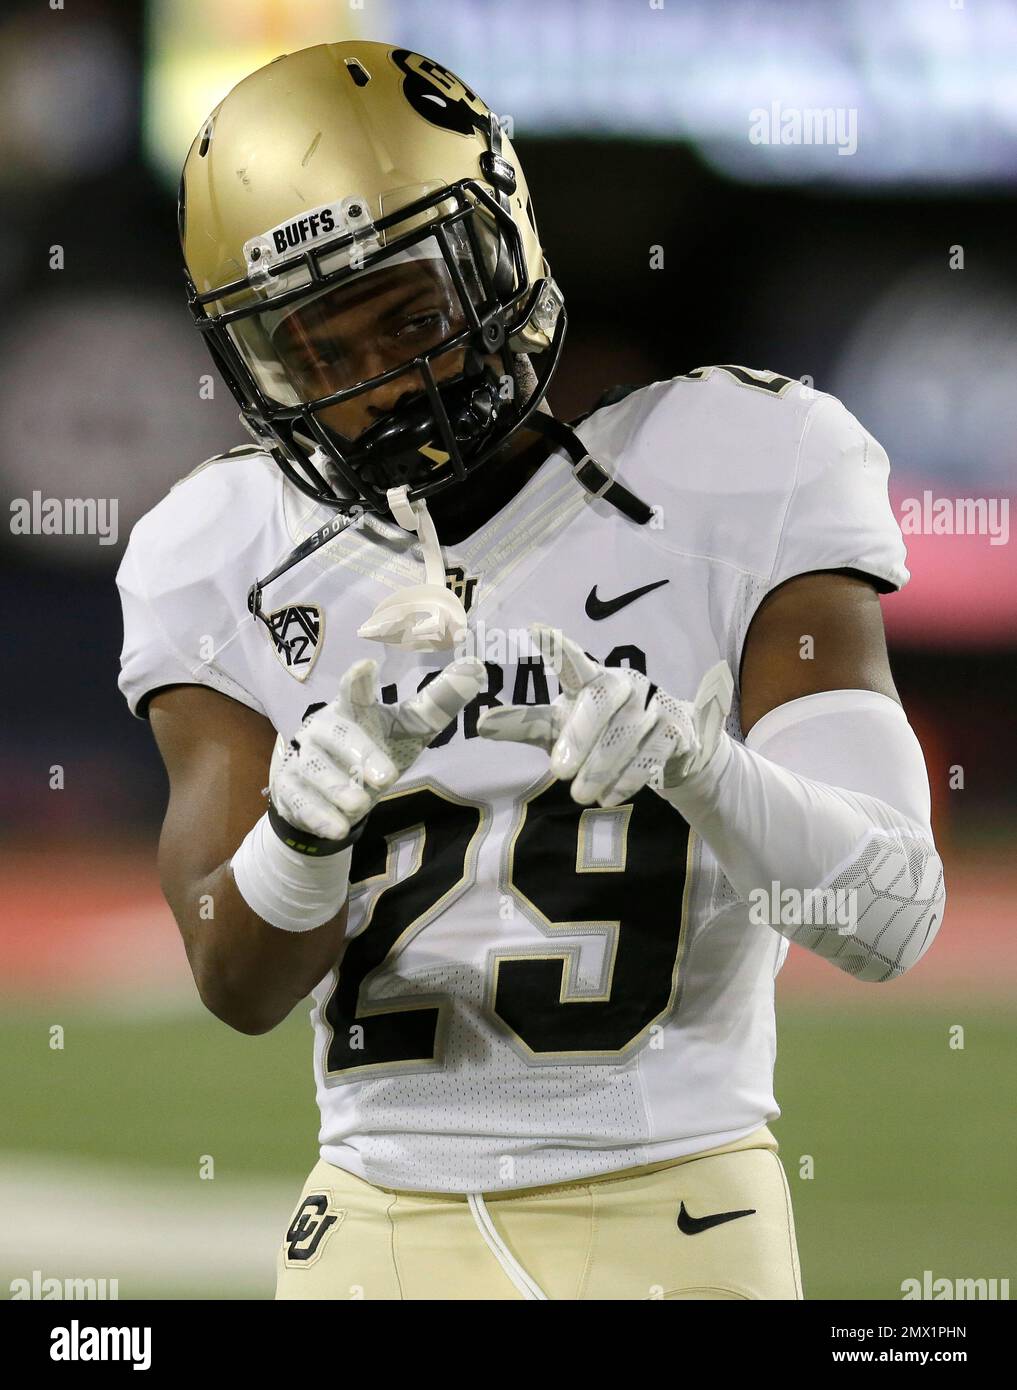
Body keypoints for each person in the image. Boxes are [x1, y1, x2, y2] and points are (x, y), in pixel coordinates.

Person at [116, 41, 945, 1300]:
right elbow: (235, 979)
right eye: (321, 354)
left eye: (410, 314)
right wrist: (302, 827)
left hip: (681, 1211)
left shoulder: (745, 462)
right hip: (367, 1234)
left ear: (502, 257)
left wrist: (697, 762)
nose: (384, 381)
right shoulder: (224, 550)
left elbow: (886, 916)